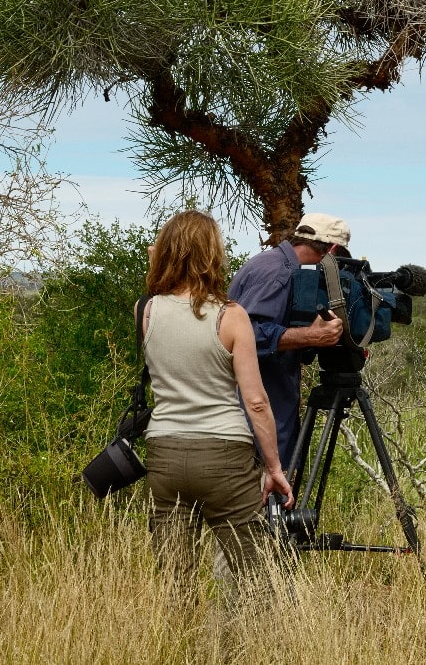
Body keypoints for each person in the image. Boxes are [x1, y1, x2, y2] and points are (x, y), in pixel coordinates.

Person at [139, 210, 294, 598]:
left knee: (176, 580)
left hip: (164, 452)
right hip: (224, 454)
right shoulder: (231, 316)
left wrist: (157, 263)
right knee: (254, 575)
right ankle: (247, 635)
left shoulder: (147, 310)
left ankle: (180, 633)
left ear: (165, 252)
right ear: (213, 255)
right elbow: (255, 402)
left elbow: (160, 295)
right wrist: (273, 467)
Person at [227, 212, 348, 468]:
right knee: (260, 487)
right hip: (256, 416)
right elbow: (246, 335)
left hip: (264, 405)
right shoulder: (277, 272)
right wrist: (310, 335)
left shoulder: (272, 264)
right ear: (332, 249)